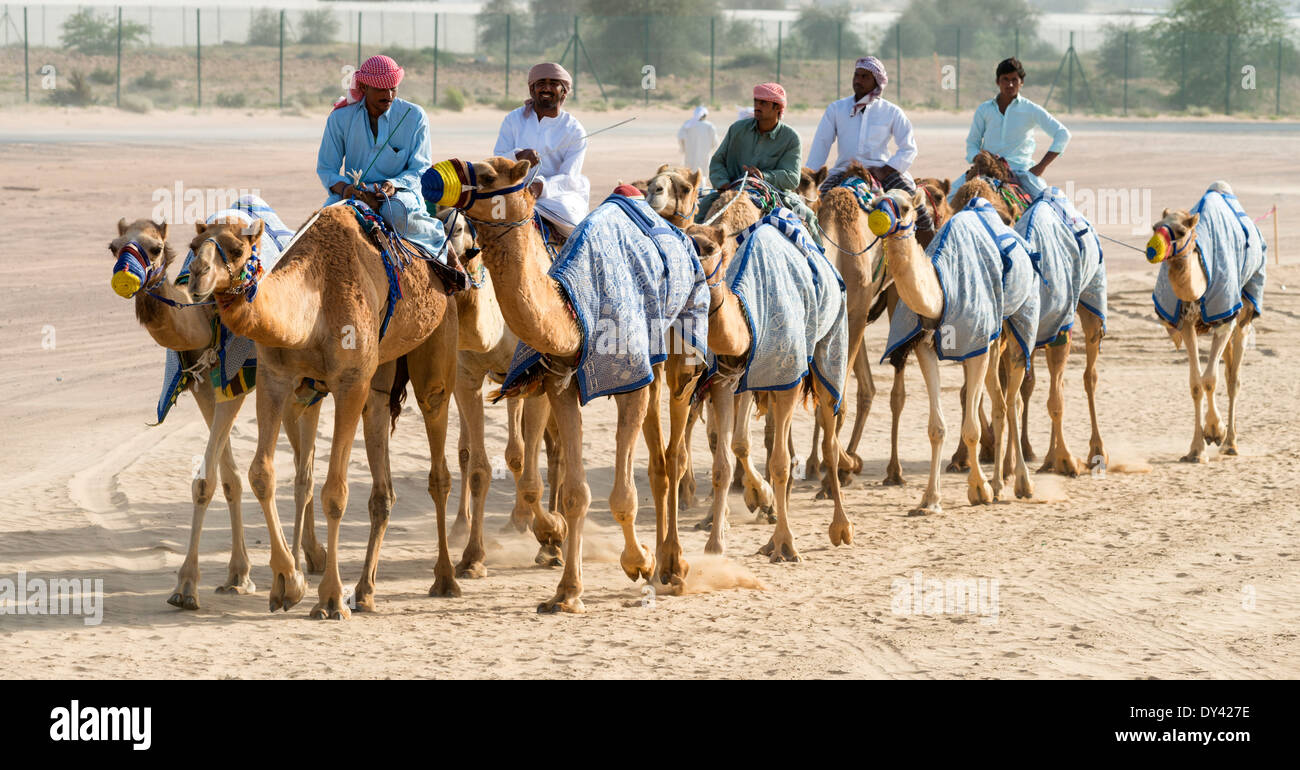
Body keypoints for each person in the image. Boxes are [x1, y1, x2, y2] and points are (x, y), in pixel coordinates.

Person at [317, 54, 446, 259]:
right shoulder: (340, 118)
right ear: (364, 88)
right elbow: (326, 168)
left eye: (393, 88)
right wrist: (345, 188)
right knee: (322, 223)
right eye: (380, 89)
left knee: (394, 215)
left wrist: (393, 185)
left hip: (399, 195)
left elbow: (420, 168)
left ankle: (443, 246)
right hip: (353, 195)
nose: (389, 95)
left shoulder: (414, 116)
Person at [806, 56, 931, 240]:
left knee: (917, 211)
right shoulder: (836, 109)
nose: (858, 80)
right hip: (843, 172)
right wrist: (811, 176)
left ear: (877, 81)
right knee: (812, 210)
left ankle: (930, 256)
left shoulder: (891, 111)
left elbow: (909, 148)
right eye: (856, 75)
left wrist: (885, 170)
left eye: (865, 76)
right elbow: (820, 145)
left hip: (882, 173)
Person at [696, 83, 818, 241]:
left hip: (775, 196)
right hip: (732, 191)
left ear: (777, 108)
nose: (757, 106)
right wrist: (723, 182)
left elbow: (792, 177)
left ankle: (817, 262)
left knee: (808, 217)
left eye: (763, 103)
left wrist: (764, 177)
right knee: (697, 215)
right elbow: (718, 161)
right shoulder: (737, 129)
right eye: (756, 101)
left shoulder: (791, 138)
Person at [950, 56, 1070, 203]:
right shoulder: (984, 109)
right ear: (998, 82)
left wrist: (1040, 167)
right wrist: (977, 158)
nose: (1010, 84)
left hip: (1020, 173)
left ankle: (1079, 226)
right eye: (1005, 79)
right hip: (985, 171)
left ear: (1022, 82)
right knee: (948, 197)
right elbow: (972, 143)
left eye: (1014, 79)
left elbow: (1063, 134)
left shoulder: (1030, 109)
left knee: (1052, 203)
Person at [493, 62, 591, 237]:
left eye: (553, 83)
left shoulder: (574, 130)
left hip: (555, 197)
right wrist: (517, 156)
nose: (546, 88)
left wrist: (539, 187)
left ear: (564, 91)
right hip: (513, 189)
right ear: (532, 90)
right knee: (485, 211)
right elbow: (497, 161)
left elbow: (569, 177)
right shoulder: (513, 120)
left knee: (573, 222)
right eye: (541, 84)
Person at [678, 105, 718, 174]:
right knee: (703, 172)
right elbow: (715, 142)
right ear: (705, 115)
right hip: (704, 154)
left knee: (689, 173)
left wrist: (683, 149)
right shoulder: (709, 126)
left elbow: (680, 138)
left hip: (690, 155)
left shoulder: (687, 124)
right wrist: (712, 148)